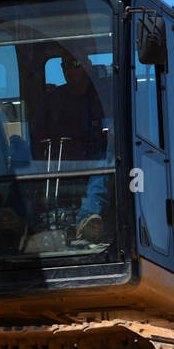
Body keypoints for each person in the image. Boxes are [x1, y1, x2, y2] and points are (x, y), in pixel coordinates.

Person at [29, 54, 110, 242]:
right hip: (60, 161)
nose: (69, 70)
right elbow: (37, 135)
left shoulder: (104, 94)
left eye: (75, 64)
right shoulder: (52, 100)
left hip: (96, 159)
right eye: (65, 65)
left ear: (88, 66)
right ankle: (20, 218)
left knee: (107, 162)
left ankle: (88, 220)